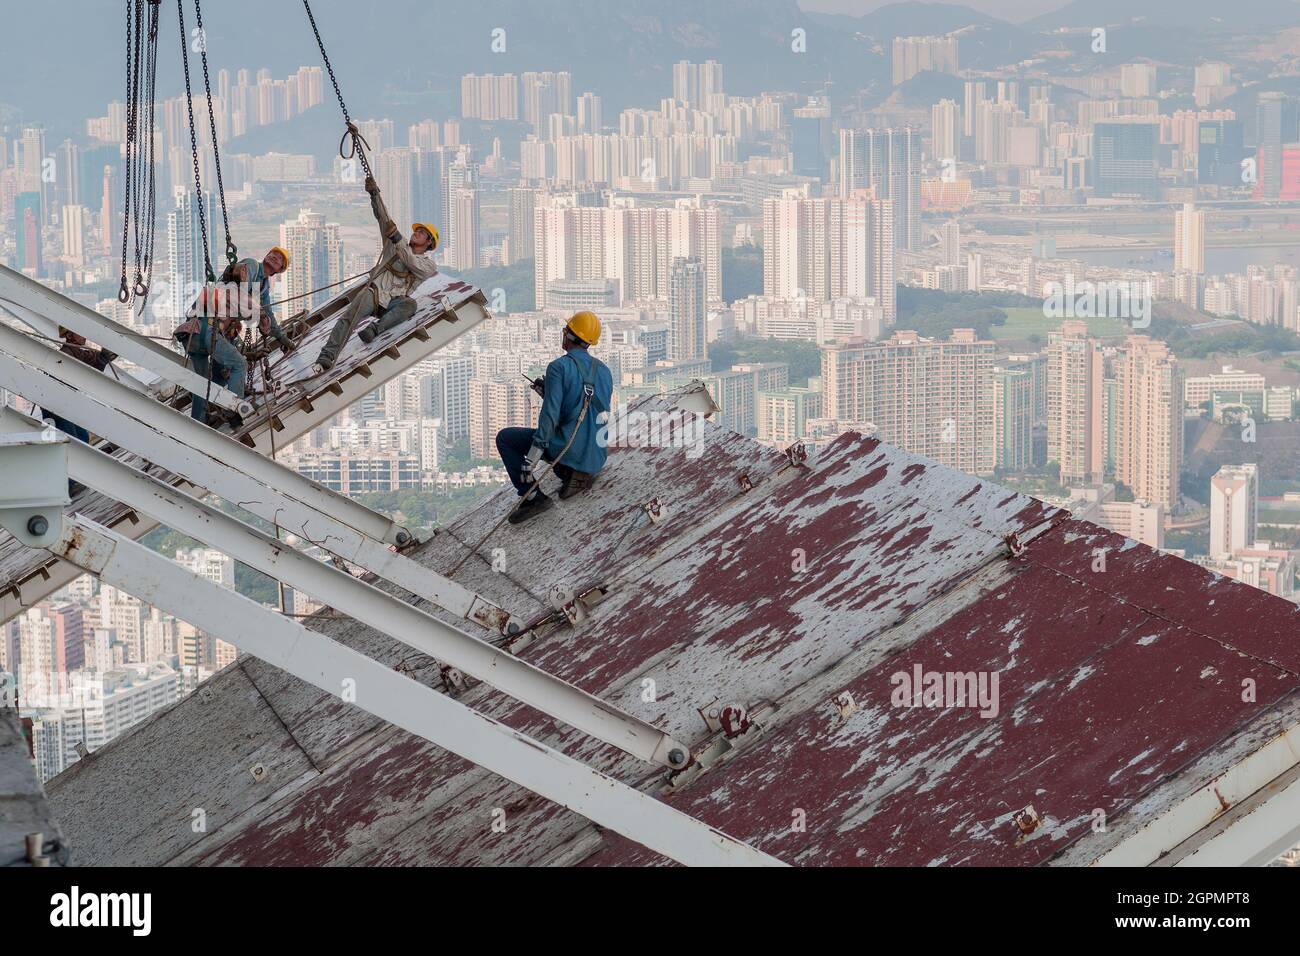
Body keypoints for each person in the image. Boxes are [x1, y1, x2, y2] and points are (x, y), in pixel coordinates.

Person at [495, 310, 613, 525]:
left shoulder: (558, 367)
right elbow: (591, 411)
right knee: (562, 440)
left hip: (569, 449)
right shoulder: (604, 370)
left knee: (506, 438)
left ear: (568, 335)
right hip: (596, 454)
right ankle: (576, 471)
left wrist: (534, 454)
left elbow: (550, 415)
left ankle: (533, 497)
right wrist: (550, 391)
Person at [315, 175, 438, 372]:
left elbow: (410, 261)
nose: (417, 233)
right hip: (374, 292)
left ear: (429, 243)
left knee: (410, 305)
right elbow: (384, 219)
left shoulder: (428, 265)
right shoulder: (395, 243)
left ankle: (375, 329)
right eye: (417, 231)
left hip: (393, 301)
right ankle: (327, 357)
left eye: (422, 233)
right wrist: (374, 195)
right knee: (349, 318)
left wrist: (397, 238)